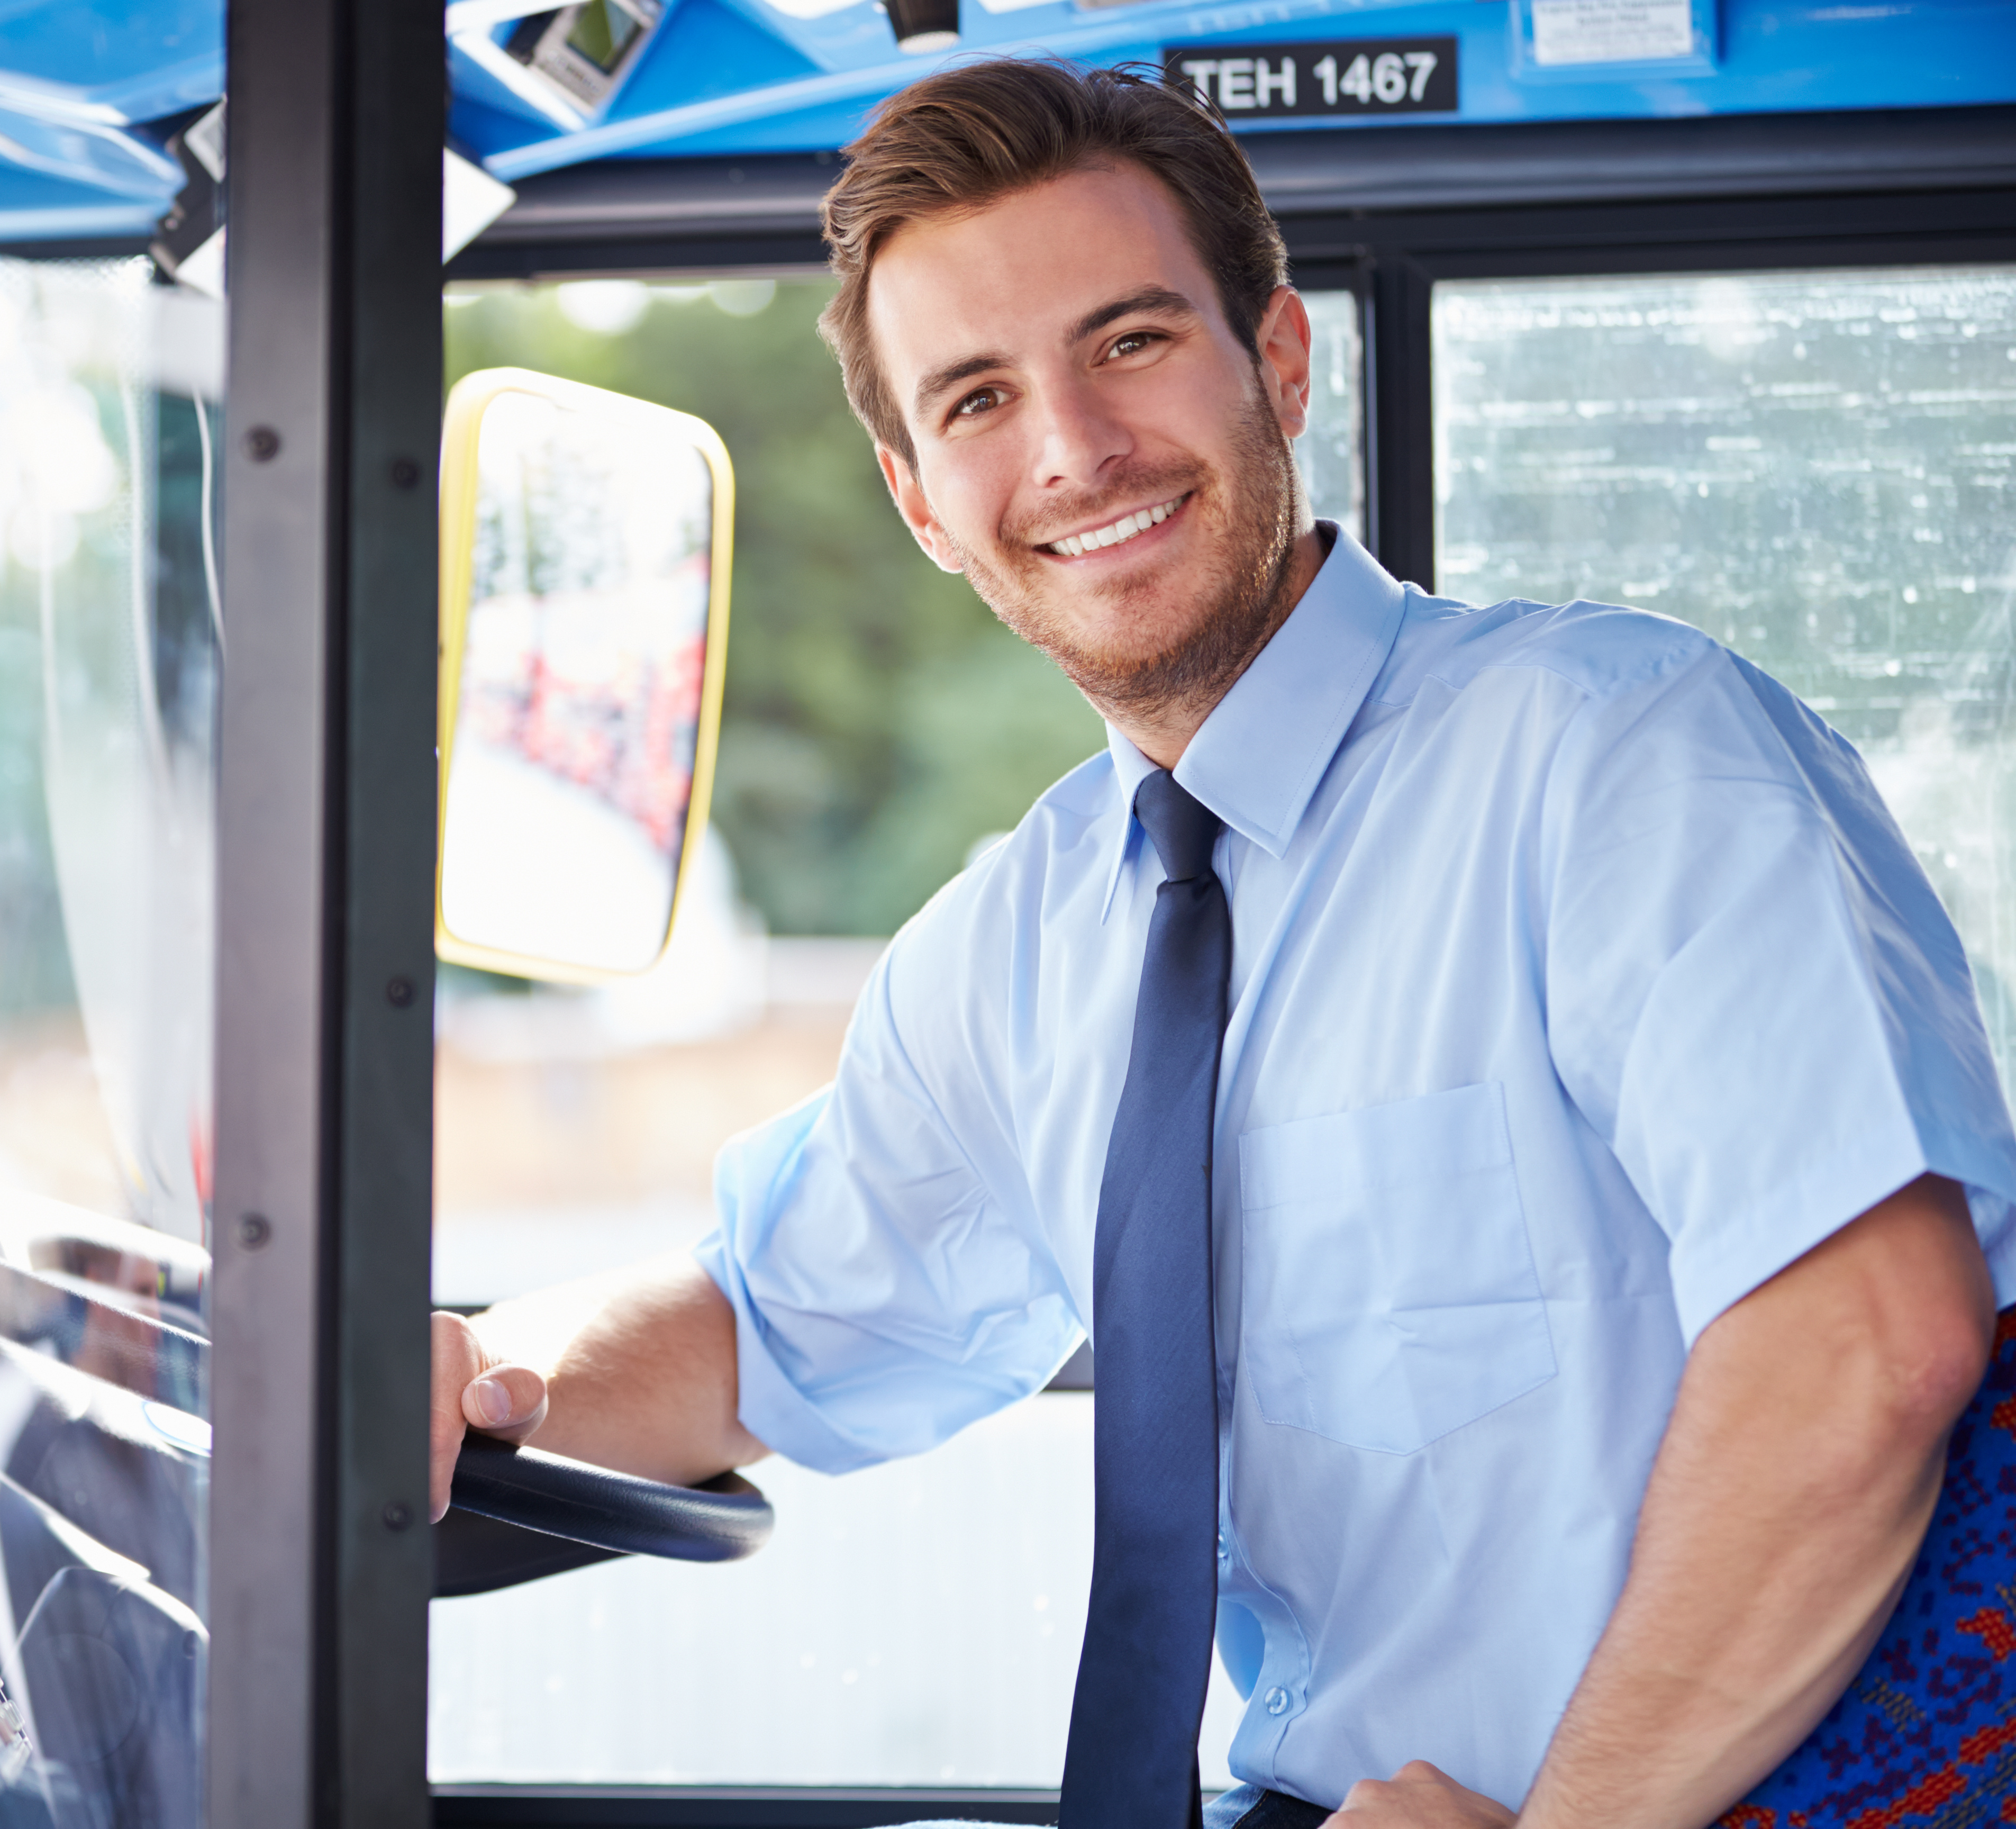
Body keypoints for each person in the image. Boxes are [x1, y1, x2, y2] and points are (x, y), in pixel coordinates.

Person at [428, 57, 2016, 1829]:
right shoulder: (1016, 952)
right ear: (919, 504)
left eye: (1129, 343)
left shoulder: (1625, 758)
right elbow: (760, 1322)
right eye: (975, 399)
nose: (1071, 452)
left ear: (1276, 357)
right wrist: (477, 1372)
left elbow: (1871, 1338)